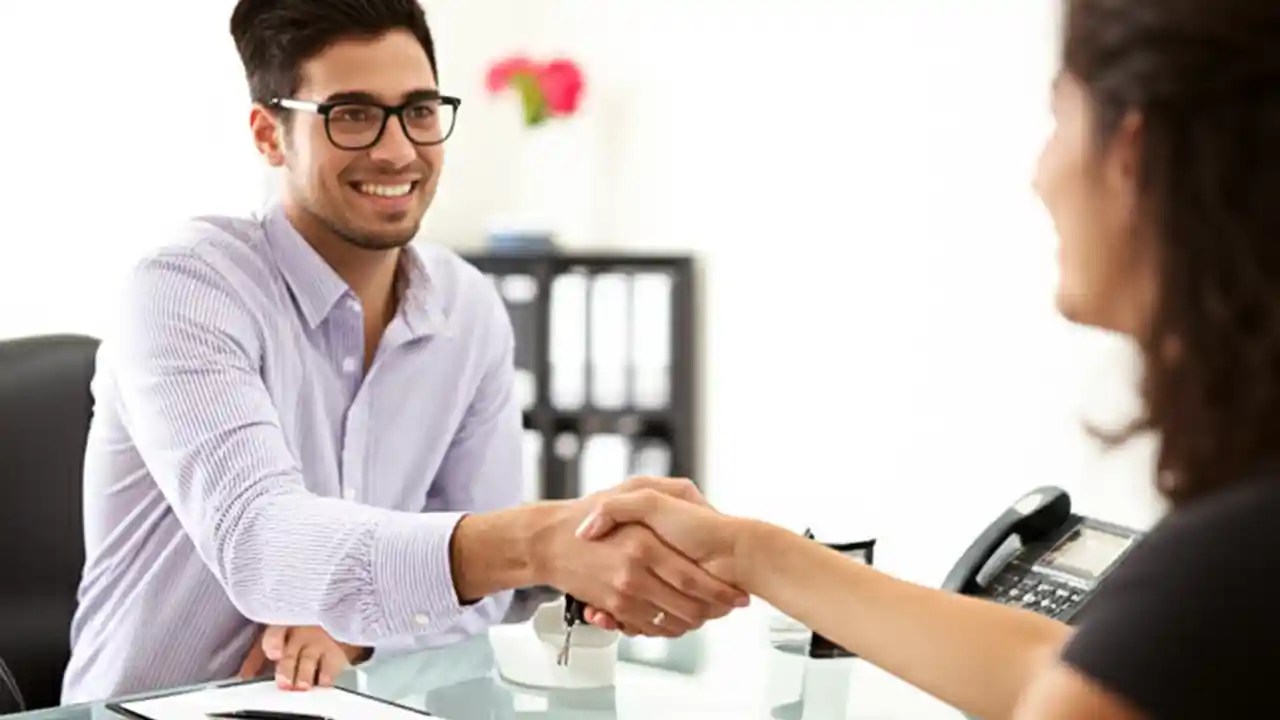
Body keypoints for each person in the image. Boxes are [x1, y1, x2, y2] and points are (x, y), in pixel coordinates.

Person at [577, 0, 1280, 718]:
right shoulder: (1229, 562)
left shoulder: (1222, 569)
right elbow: (1053, 666)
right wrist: (744, 551)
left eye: (1060, 116)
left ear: (1136, 156)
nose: (1040, 176)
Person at [62, 0, 746, 705]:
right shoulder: (184, 288)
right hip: (139, 709)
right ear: (270, 135)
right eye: (352, 115)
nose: (397, 150)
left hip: (347, 702)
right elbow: (261, 543)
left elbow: (484, 597)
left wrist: (354, 632)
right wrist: (539, 539)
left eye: (419, 111)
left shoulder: (468, 309)